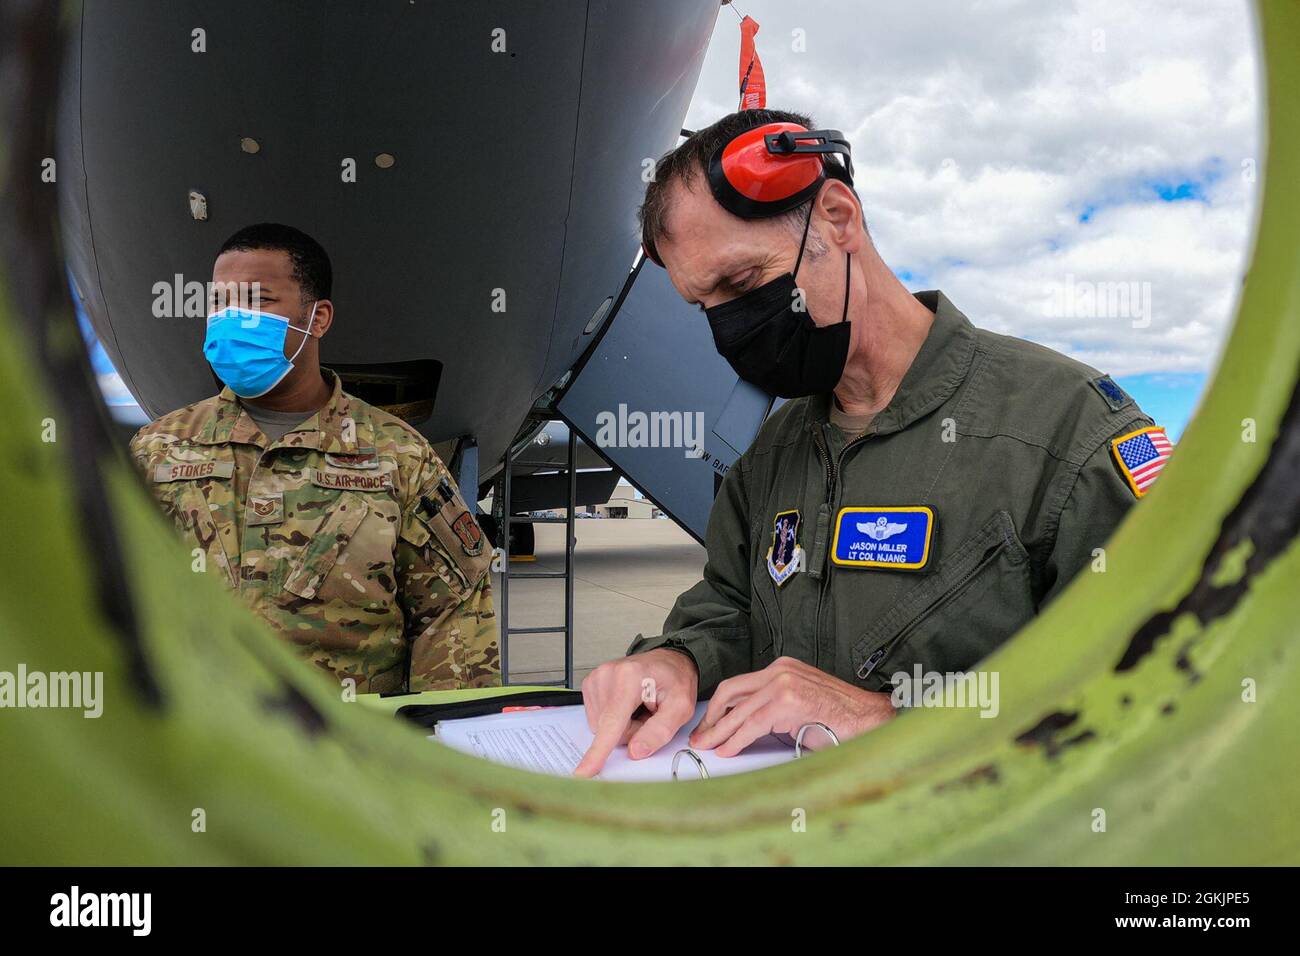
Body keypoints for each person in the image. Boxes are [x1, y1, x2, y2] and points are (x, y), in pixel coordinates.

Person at [576, 110, 1168, 775]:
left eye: (741, 284)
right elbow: (733, 607)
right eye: (703, 305)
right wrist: (674, 660)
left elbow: (1162, 687)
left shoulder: (1069, 433)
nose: (730, 330)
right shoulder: (771, 453)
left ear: (837, 216)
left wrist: (884, 719)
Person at [129, 223, 498, 693]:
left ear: (318, 318)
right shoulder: (157, 449)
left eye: (257, 301)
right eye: (219, 303)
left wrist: (444, 739)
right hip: (196, 747)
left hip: (346, 750)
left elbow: (452, 612)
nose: (231, 319)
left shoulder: (396, 454)